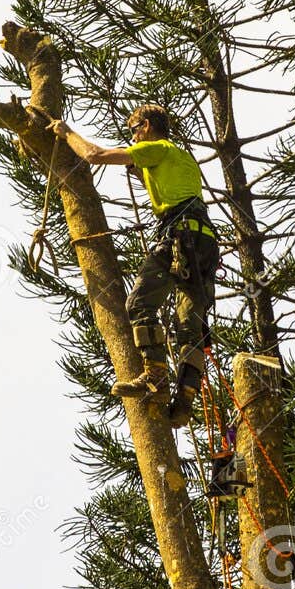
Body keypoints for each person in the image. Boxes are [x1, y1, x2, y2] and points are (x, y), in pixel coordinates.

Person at [47, 104, 219, 426]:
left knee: (139, 303)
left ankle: (154, 377)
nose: (133, 136)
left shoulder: (155, 147)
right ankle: (185, 399)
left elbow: (95, 155)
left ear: (149, 125)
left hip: (179, 236)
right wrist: (140, 172)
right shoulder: (180, 157)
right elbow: (170, 186)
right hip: (205, 243)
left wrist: (66, 132)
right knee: (188, 326)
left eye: (134, 128)